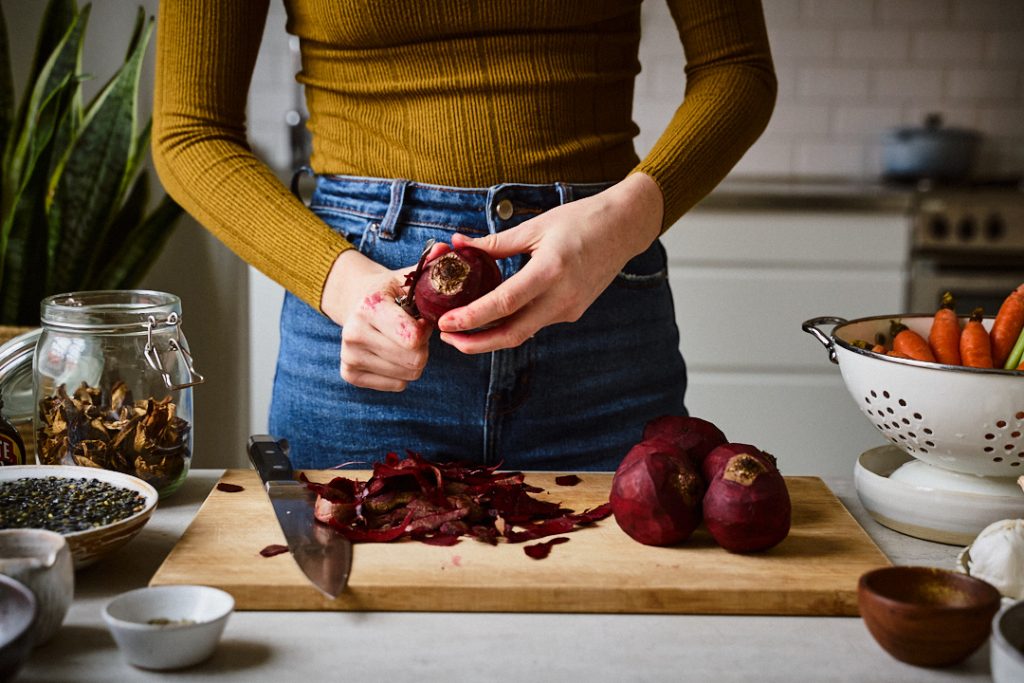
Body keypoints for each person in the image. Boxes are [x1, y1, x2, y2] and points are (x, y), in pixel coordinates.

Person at [152, 1, 776, 471]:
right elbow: (190, 130)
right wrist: (346, 287)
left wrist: (624, 222)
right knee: (345, 605)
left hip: (600, 310)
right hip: (363, 325)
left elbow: (737, 68)